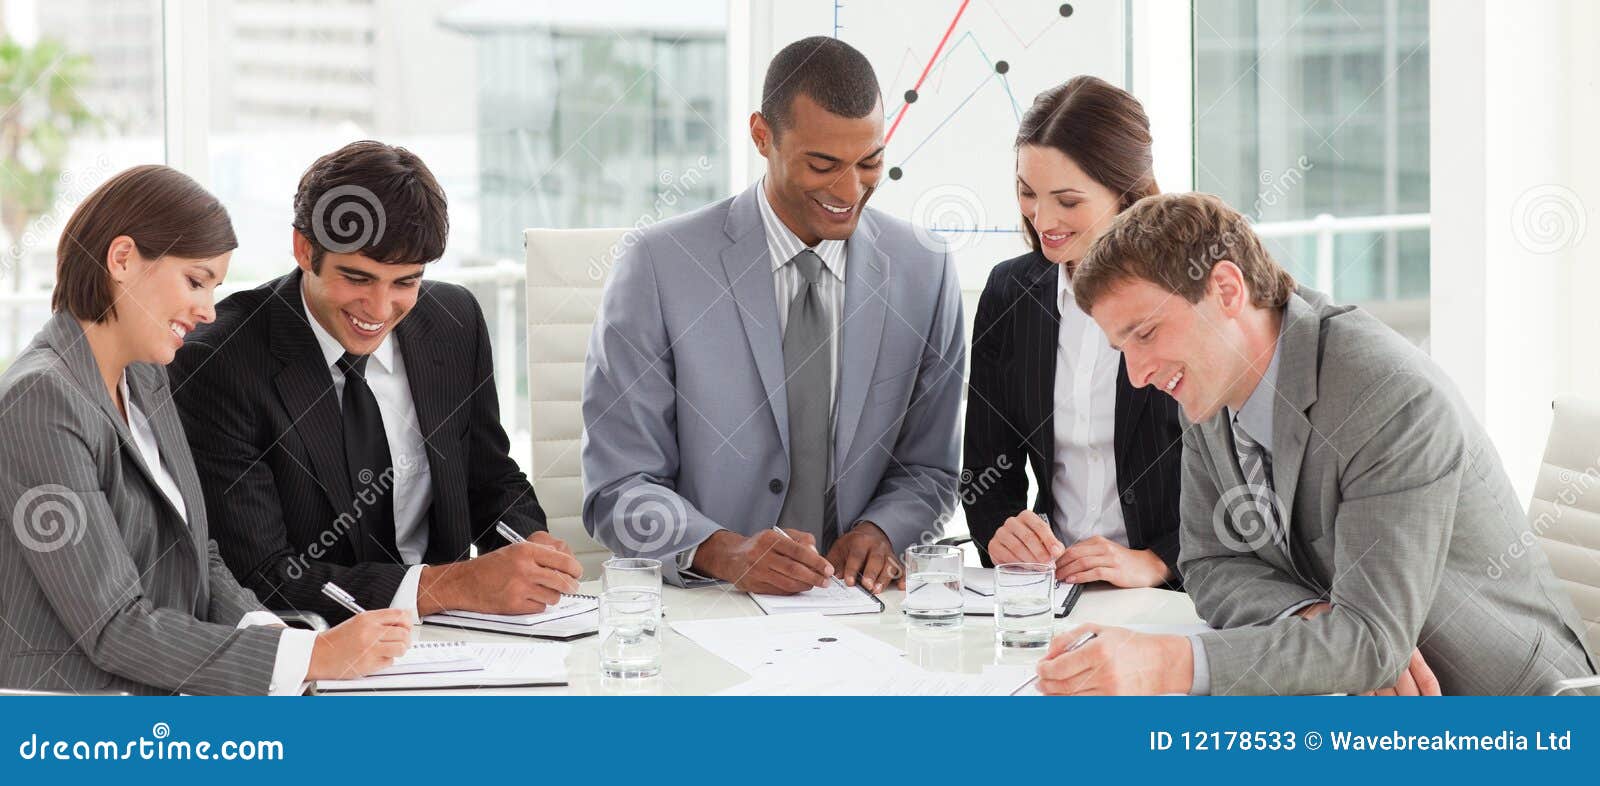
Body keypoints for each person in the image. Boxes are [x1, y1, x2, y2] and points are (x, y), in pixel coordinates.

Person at [1032, 192, 1598, 695]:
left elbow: (1372, 643)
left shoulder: (1386, 394)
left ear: (1226, 289)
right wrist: (1311, 617)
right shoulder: (1207, 386)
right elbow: (1207, 563)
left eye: (1146, 333)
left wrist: (1170, 664)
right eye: (1121, 348)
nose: (1137, 375)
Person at [0, 165, 411, 695]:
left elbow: (199, 553)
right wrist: (311, 656)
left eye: (214, 288)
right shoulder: (42, 401)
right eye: (195, 281)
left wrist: (281, 639)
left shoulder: (145, 375)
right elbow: (112, 626)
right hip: (74, 719)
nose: (208, 311)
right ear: (122, 259)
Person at [582, 36, 965, 593]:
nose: (849, 189)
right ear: (762, 136)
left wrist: (882, 530)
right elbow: (618, 485)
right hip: (710, 604)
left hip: (863, 608)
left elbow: (930, 467)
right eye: (823, 164)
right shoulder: (659, 265)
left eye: (871, 162)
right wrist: (723, 552)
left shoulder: (924, 270)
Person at [169, 142, 580, 623]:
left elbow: (489, 477)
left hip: (460, 637)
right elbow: (260, 576)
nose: (381, 310)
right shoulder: (220, 363)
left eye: (405, 282)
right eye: (358, 279)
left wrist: (529, 545)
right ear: (305, 249)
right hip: (319, 649)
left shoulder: (454, 321)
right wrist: (449, 585)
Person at [964, 76, 1183, 589]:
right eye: (1027, 193)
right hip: (1053, 589)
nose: (1043, 220)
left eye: (1068, 201)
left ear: (1125, 194)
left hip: (1177, 594)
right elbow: (983, 469)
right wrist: (1000, 532)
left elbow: (1253, 475)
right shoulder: (1009, 292)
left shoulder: (1187, 293)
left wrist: (1157, 561)